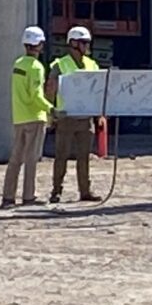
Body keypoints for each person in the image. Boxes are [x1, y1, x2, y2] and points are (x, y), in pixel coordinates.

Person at [46, 25, 103, 204]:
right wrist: (51, 113)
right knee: (61, 156)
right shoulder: (60, 65)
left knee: (84, 157)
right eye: (84, 43)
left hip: (86, 118)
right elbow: (50, 90)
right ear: (73, 44)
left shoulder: (92, 64)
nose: (87, 46)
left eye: (87, 43)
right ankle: (56, 191)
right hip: (66, 117)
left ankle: (85, 191)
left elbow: (97, 91)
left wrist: (99, 114)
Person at [1, 26, 54, 208]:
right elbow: (36, 96)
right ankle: (28, 196)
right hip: (35, 117)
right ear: (39, 45)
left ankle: (8, 196)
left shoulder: (18, 64)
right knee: (31, 158)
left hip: (19, 117)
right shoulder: (36, 67)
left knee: (15, 158)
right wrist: (51, 108)